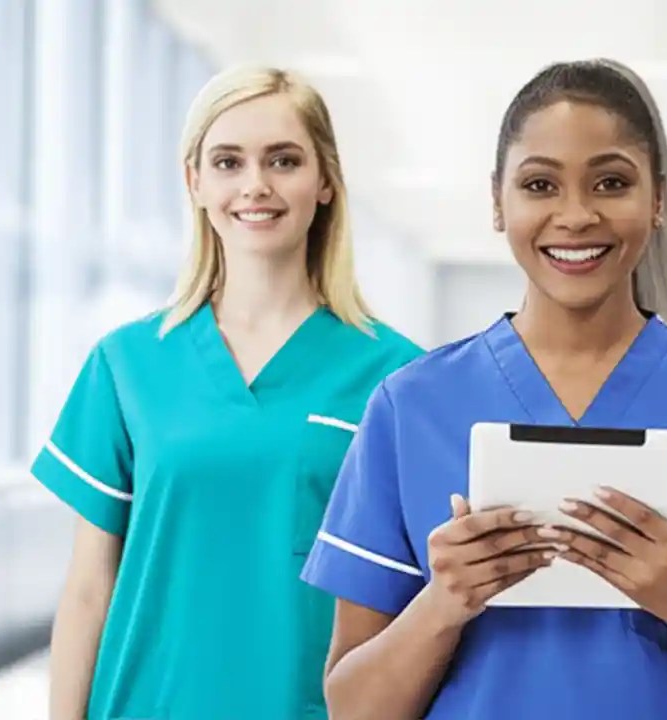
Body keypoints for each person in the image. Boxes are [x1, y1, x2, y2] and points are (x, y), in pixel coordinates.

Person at [301, 59, 667, 720]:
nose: (576, 214)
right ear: (498, 202)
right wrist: (443, 604)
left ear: (658, 201)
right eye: (539, 184)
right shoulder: (409, 408)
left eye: (611, 182)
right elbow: (352, 708)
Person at [33, 66, 421, 720]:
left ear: (325, 181)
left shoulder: (399, 377)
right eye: (228, 162)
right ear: (196, 182)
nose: (255, 185)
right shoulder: (128, 363)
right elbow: (88, 590)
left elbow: (410, 599)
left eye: (283, 160)